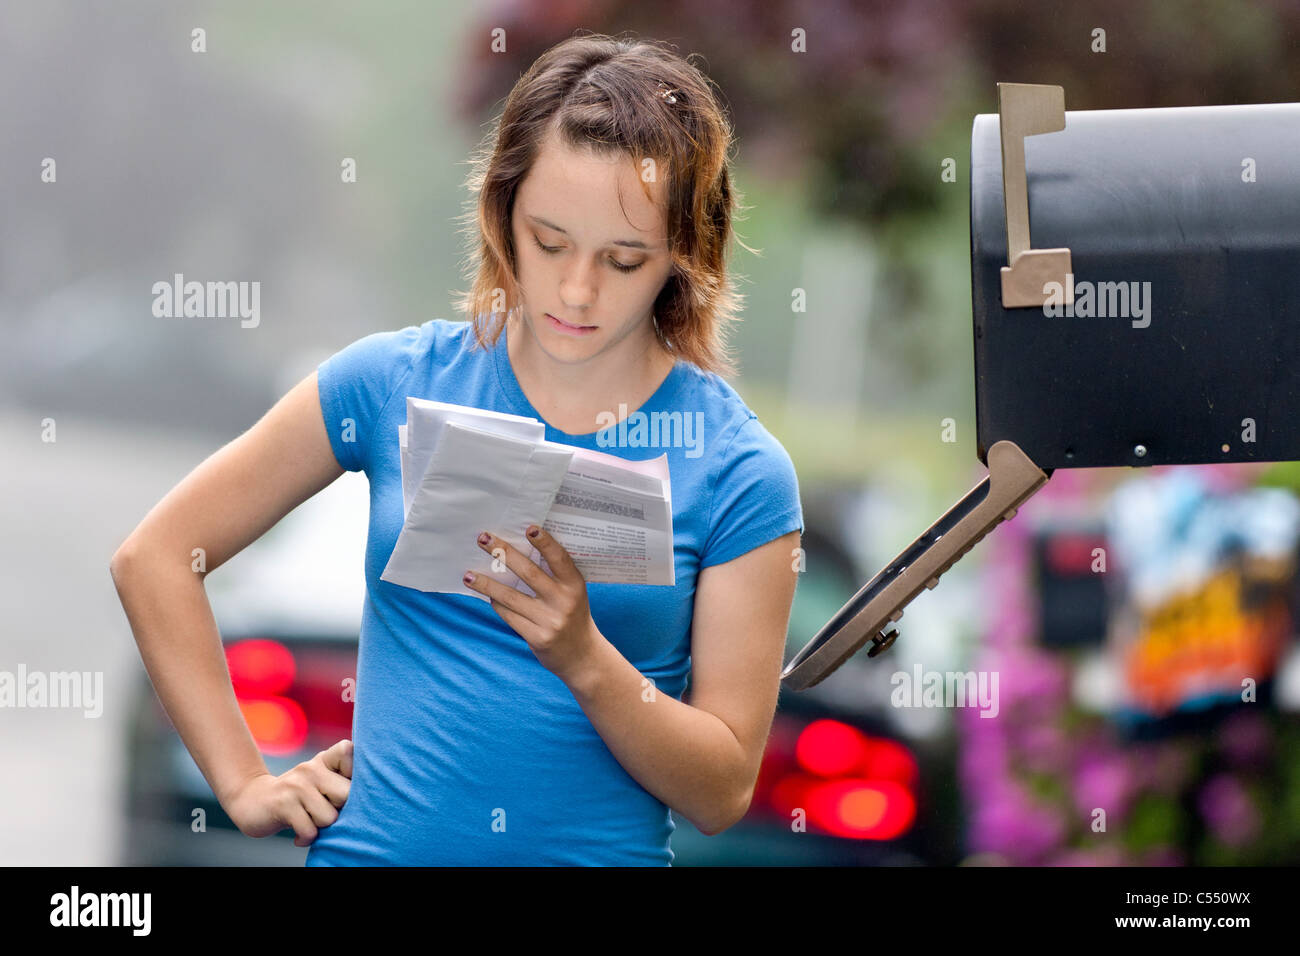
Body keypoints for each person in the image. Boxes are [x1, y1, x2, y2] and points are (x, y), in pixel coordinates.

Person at [110, 32, 803, 866]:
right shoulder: (391, 382)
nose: (577, 291)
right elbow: (153, 558)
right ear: (502, 214)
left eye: (623, 260)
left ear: (683, 257)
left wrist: (585, 657)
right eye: (549, 243)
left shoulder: (739, 471)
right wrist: (246, 782)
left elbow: (723, 791)